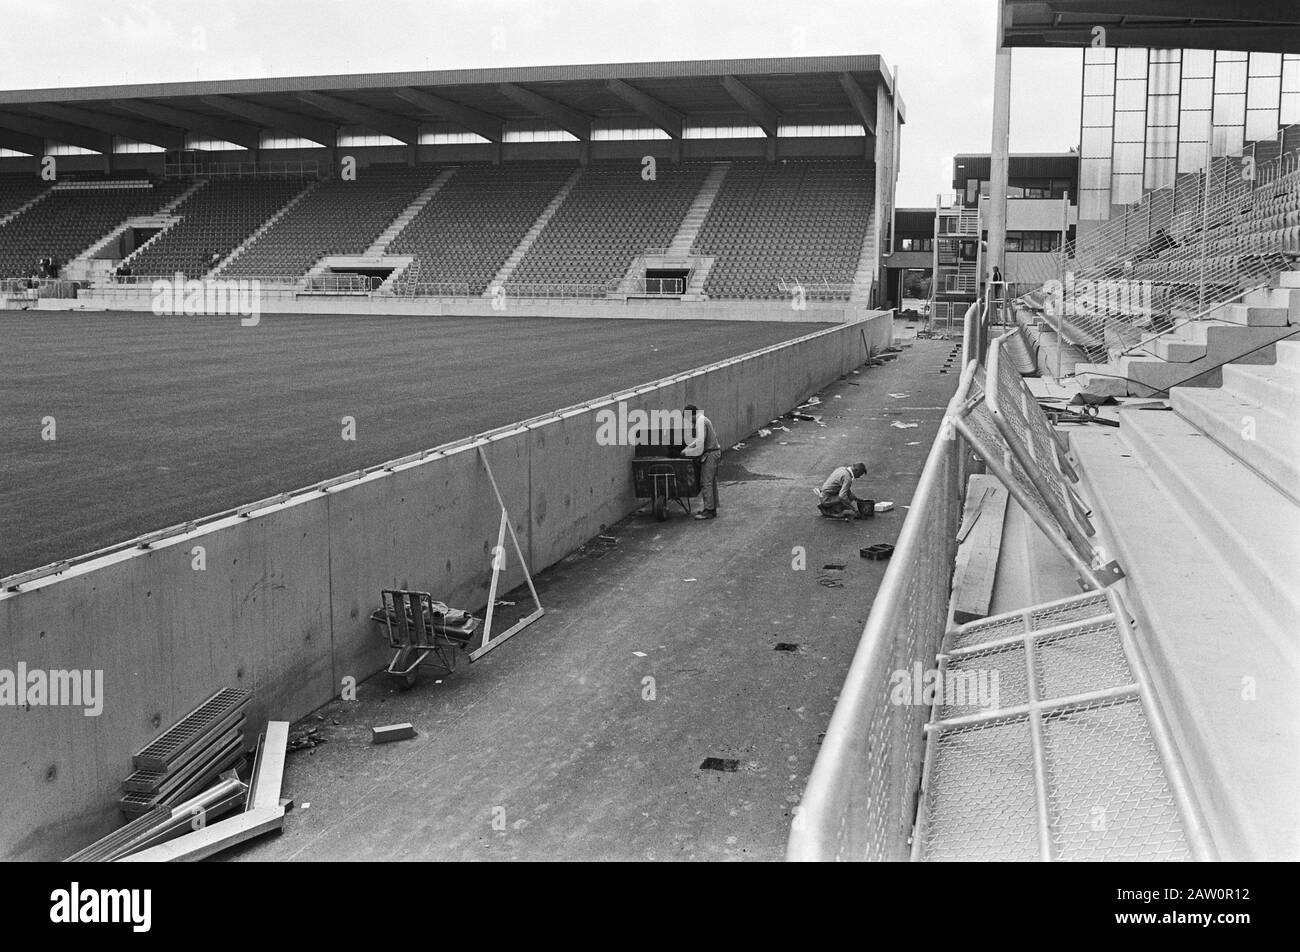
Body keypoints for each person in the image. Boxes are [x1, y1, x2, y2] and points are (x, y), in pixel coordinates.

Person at [681, 404, 720, 520]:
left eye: (688, 419)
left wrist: (687, 450)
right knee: (710, 482)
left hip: (710, 454)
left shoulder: (700, 421)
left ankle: (709, 511)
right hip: (712, 453)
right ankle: (710, 508)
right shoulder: (702, 419)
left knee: (706, 482)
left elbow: (700, 440)